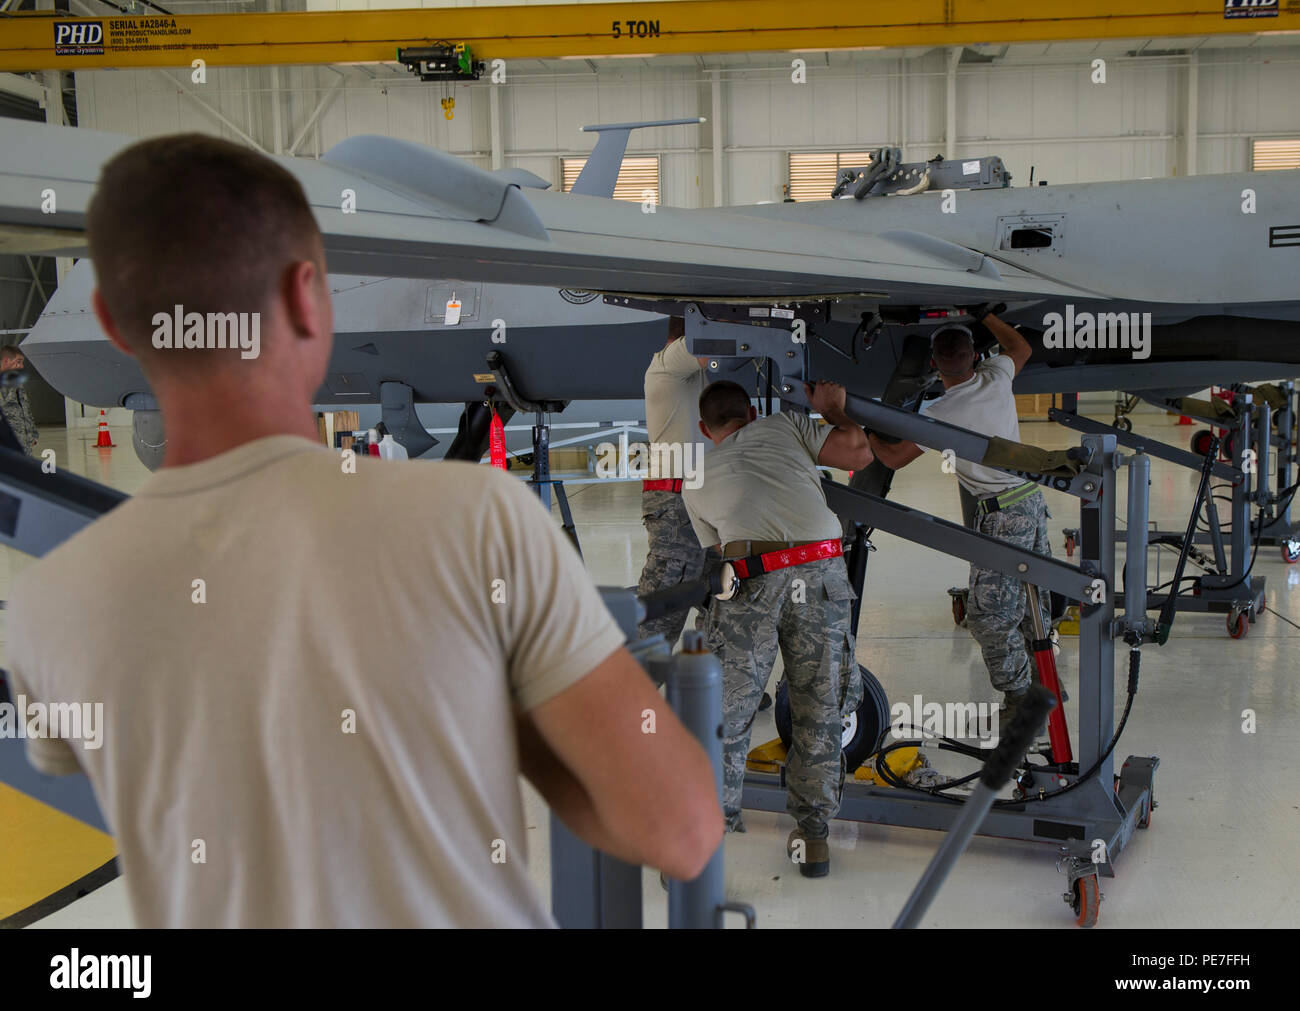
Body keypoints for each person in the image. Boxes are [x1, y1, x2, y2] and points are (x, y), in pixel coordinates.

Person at [6, 134, 723, 928]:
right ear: (309, 296)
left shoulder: (49, 606)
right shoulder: (474, 526)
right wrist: (489, 689)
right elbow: (680, 828)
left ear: (111, 321)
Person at [683, 379, 871, 877]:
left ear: (705, 429)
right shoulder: (784, 425)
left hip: (750, 581)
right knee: (819, 708)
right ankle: (814, 839)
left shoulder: (695, 478)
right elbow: (858, 455)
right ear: (750, 411)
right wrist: (837, 410)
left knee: (725, 715)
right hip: (822, 573)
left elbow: (718, 551)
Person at [866, 308, 1051, 737]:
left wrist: (867, 426)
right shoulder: (997, 376)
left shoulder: (942, 413)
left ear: (934, 364)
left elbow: (893, 457)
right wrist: (986, 315)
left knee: (988, 618)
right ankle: (1044, 688)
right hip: (1030, 503)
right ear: (974, 356)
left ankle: (1023, 701)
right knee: (1031, 610)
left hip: (1003, 514)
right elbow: (1020, 346)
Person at [636, 316, 710, 646]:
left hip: (705, 502)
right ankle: (629, 694)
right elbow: (708, 344)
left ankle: (718, 695)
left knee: (722, 604)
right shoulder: (667, 364)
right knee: (662, 617)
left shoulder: (692, 375)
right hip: (678, 505)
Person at [0, 344, 39, 454]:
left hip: (22, 444)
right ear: (6, 361)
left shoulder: (16, 384)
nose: (21, 366)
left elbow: (25, 409)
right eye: (19, 361)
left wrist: (32, 434)